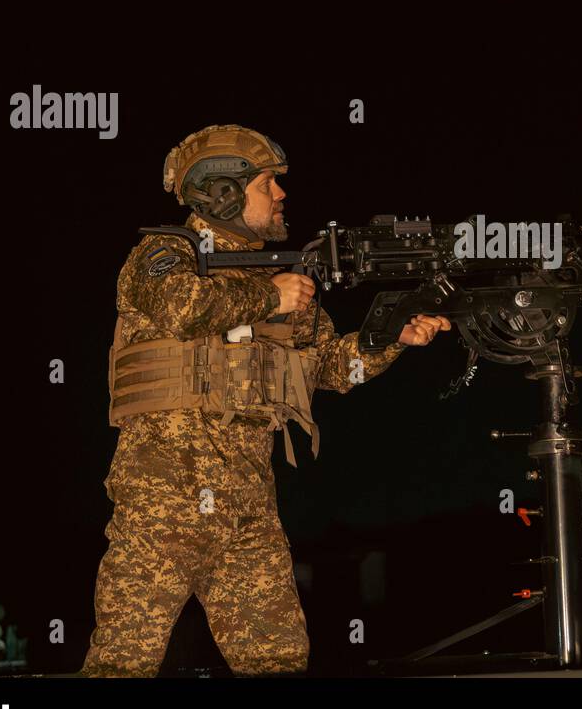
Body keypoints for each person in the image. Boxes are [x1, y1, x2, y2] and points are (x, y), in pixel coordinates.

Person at [81, 124, 450, 676]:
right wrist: (268, 296)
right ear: (222, 193)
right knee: (123, 664)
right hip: (163, 504)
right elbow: (183, 307)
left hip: (249, 507)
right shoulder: (163, 255)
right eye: (267, 184)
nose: (281, 194)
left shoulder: (283, 280)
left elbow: (331, 366)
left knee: (278, 663)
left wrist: (388, 338)